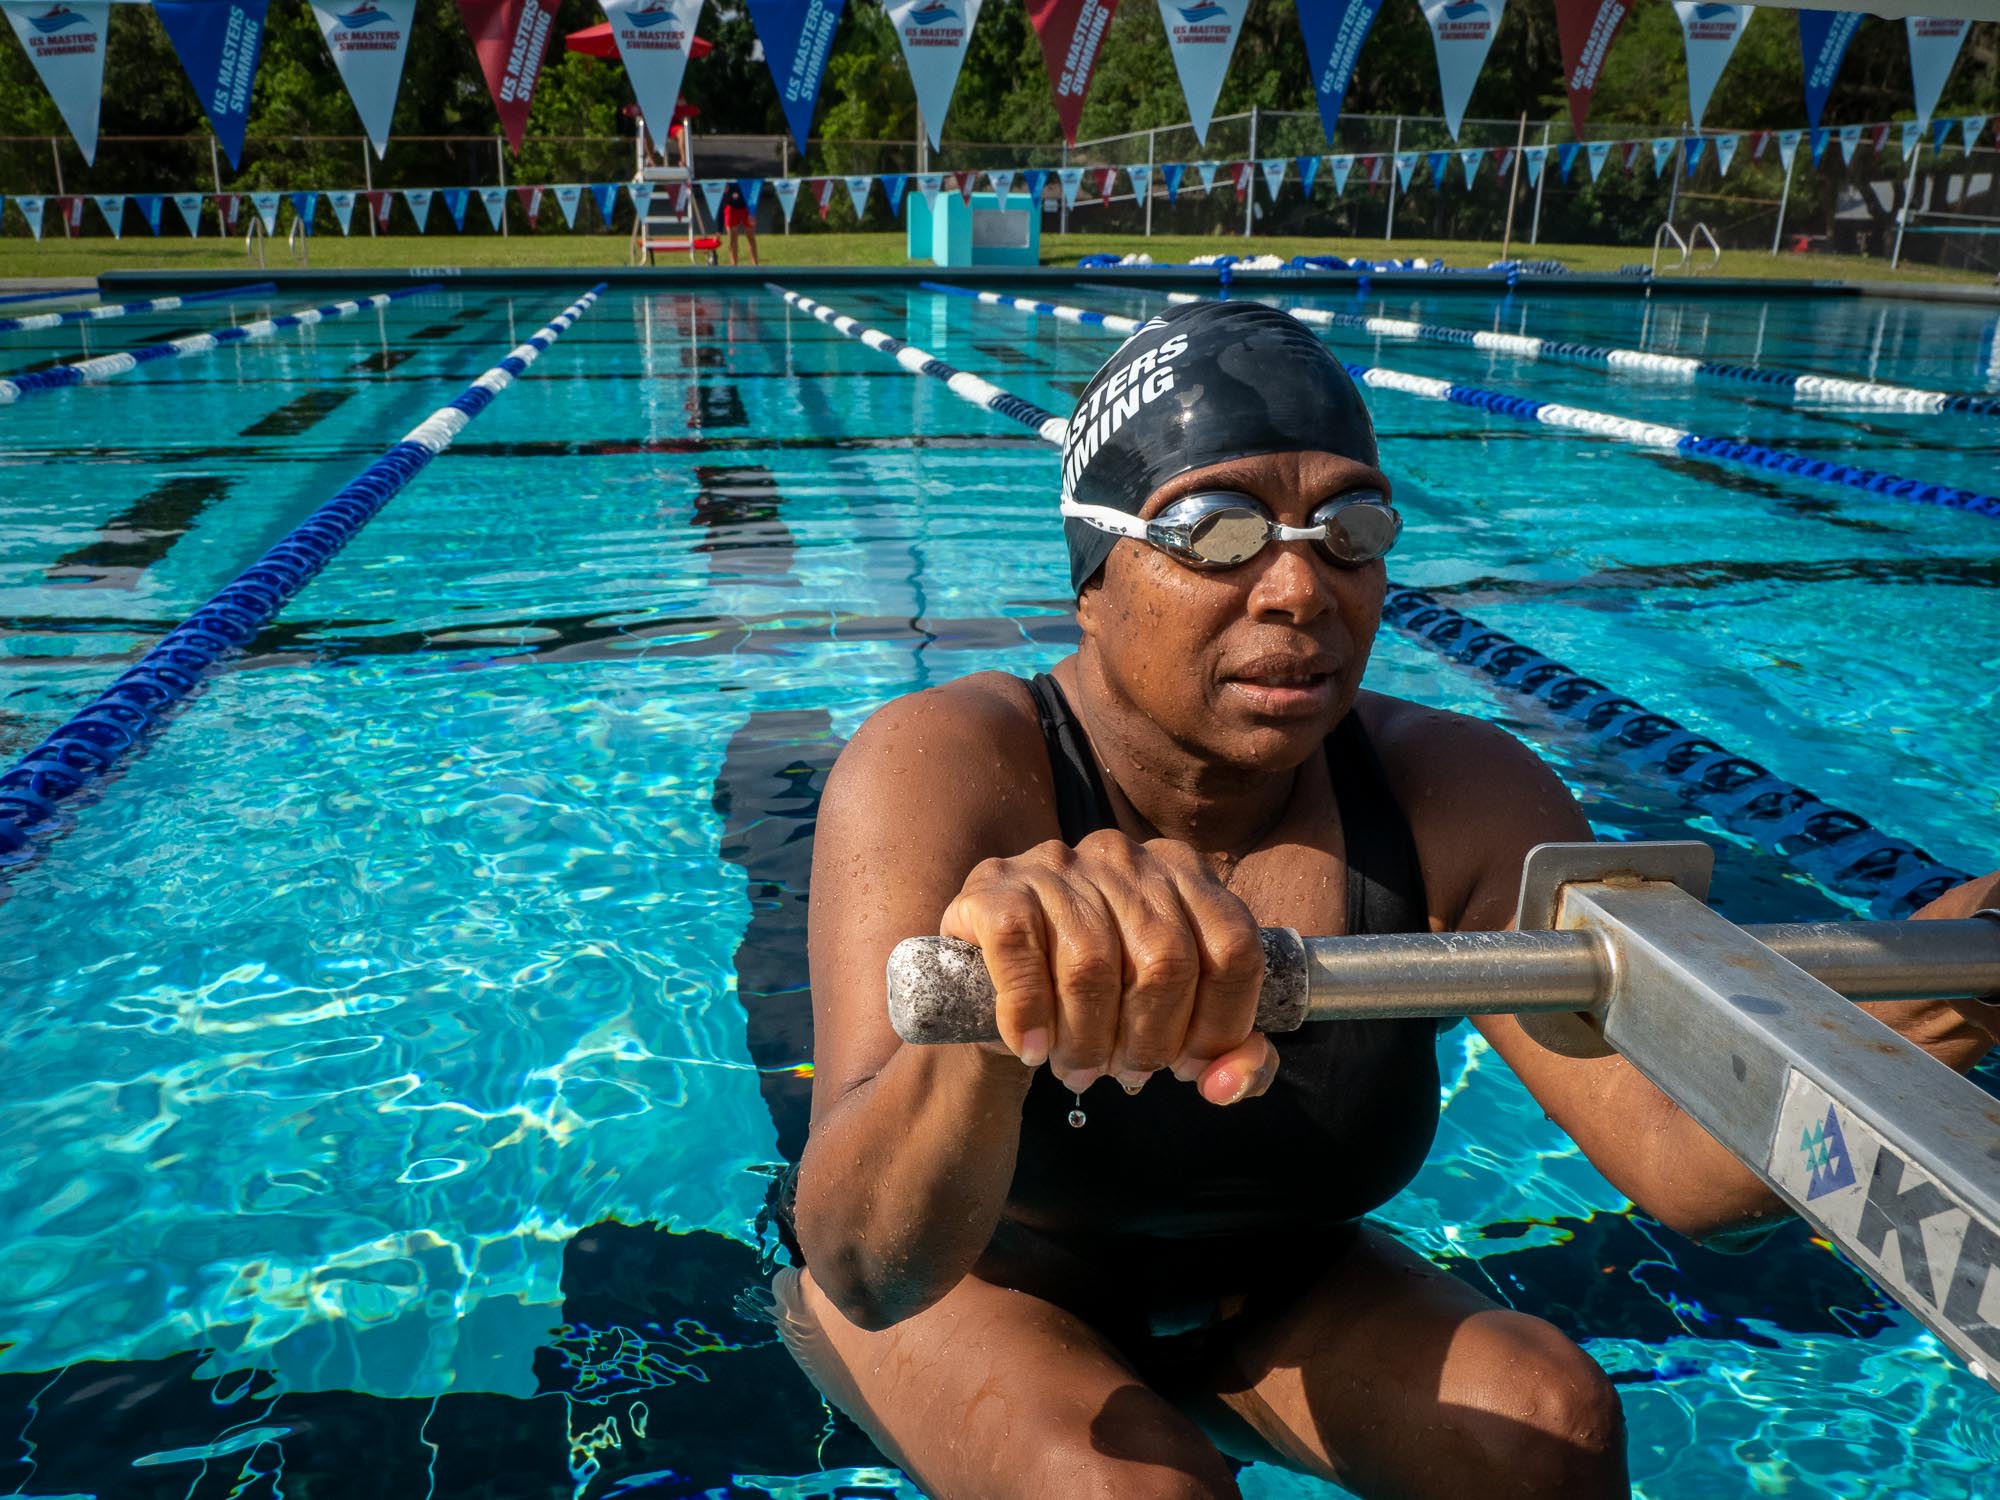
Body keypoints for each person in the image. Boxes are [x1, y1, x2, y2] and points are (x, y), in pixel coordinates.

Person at [769, 300, 1998, 1499]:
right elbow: (870, 1261)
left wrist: (1965, 985)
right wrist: (1008, 1016)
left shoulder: (1452, 791)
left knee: (1544, 1427)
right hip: (980, 1289)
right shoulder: (949, 763)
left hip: (1278, 1292)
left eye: (1348, 529)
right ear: (1092, 573)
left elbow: (1686, 1160)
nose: (1302, 589)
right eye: (1218, 530)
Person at [719, 179, 758, 267]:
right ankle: (734, 266)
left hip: (747, 206)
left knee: (751, 237)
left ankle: (755, 265)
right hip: (731, 208)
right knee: (733, 239)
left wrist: (752, 211)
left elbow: (755, 189)